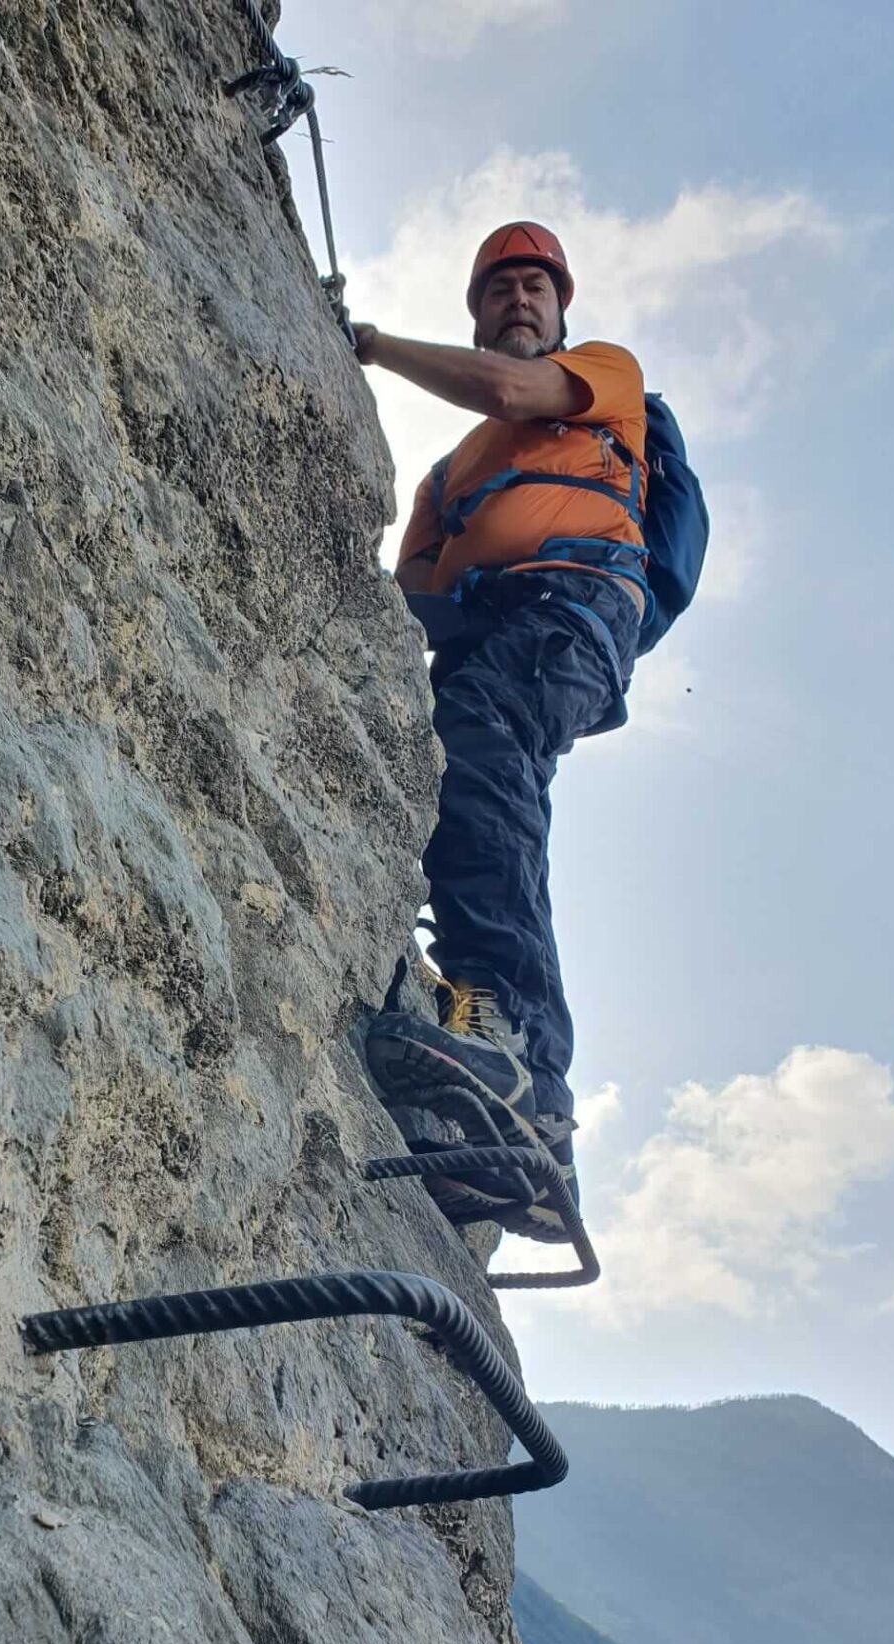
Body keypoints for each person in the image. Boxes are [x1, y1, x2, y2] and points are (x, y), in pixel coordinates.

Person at [353, 222, 650, 1240]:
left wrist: (376, 347)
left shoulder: (604, 377)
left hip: (574, 609)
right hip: (488, 638)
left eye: (536, 287)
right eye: (501, 290)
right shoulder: (450, 477)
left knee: (482, 749)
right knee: (464, 789)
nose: (520, 301)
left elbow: (511, 390)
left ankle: (523, 1058)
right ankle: (496, 1105)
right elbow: (406, 597)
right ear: (478, 309)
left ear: (562, 310)